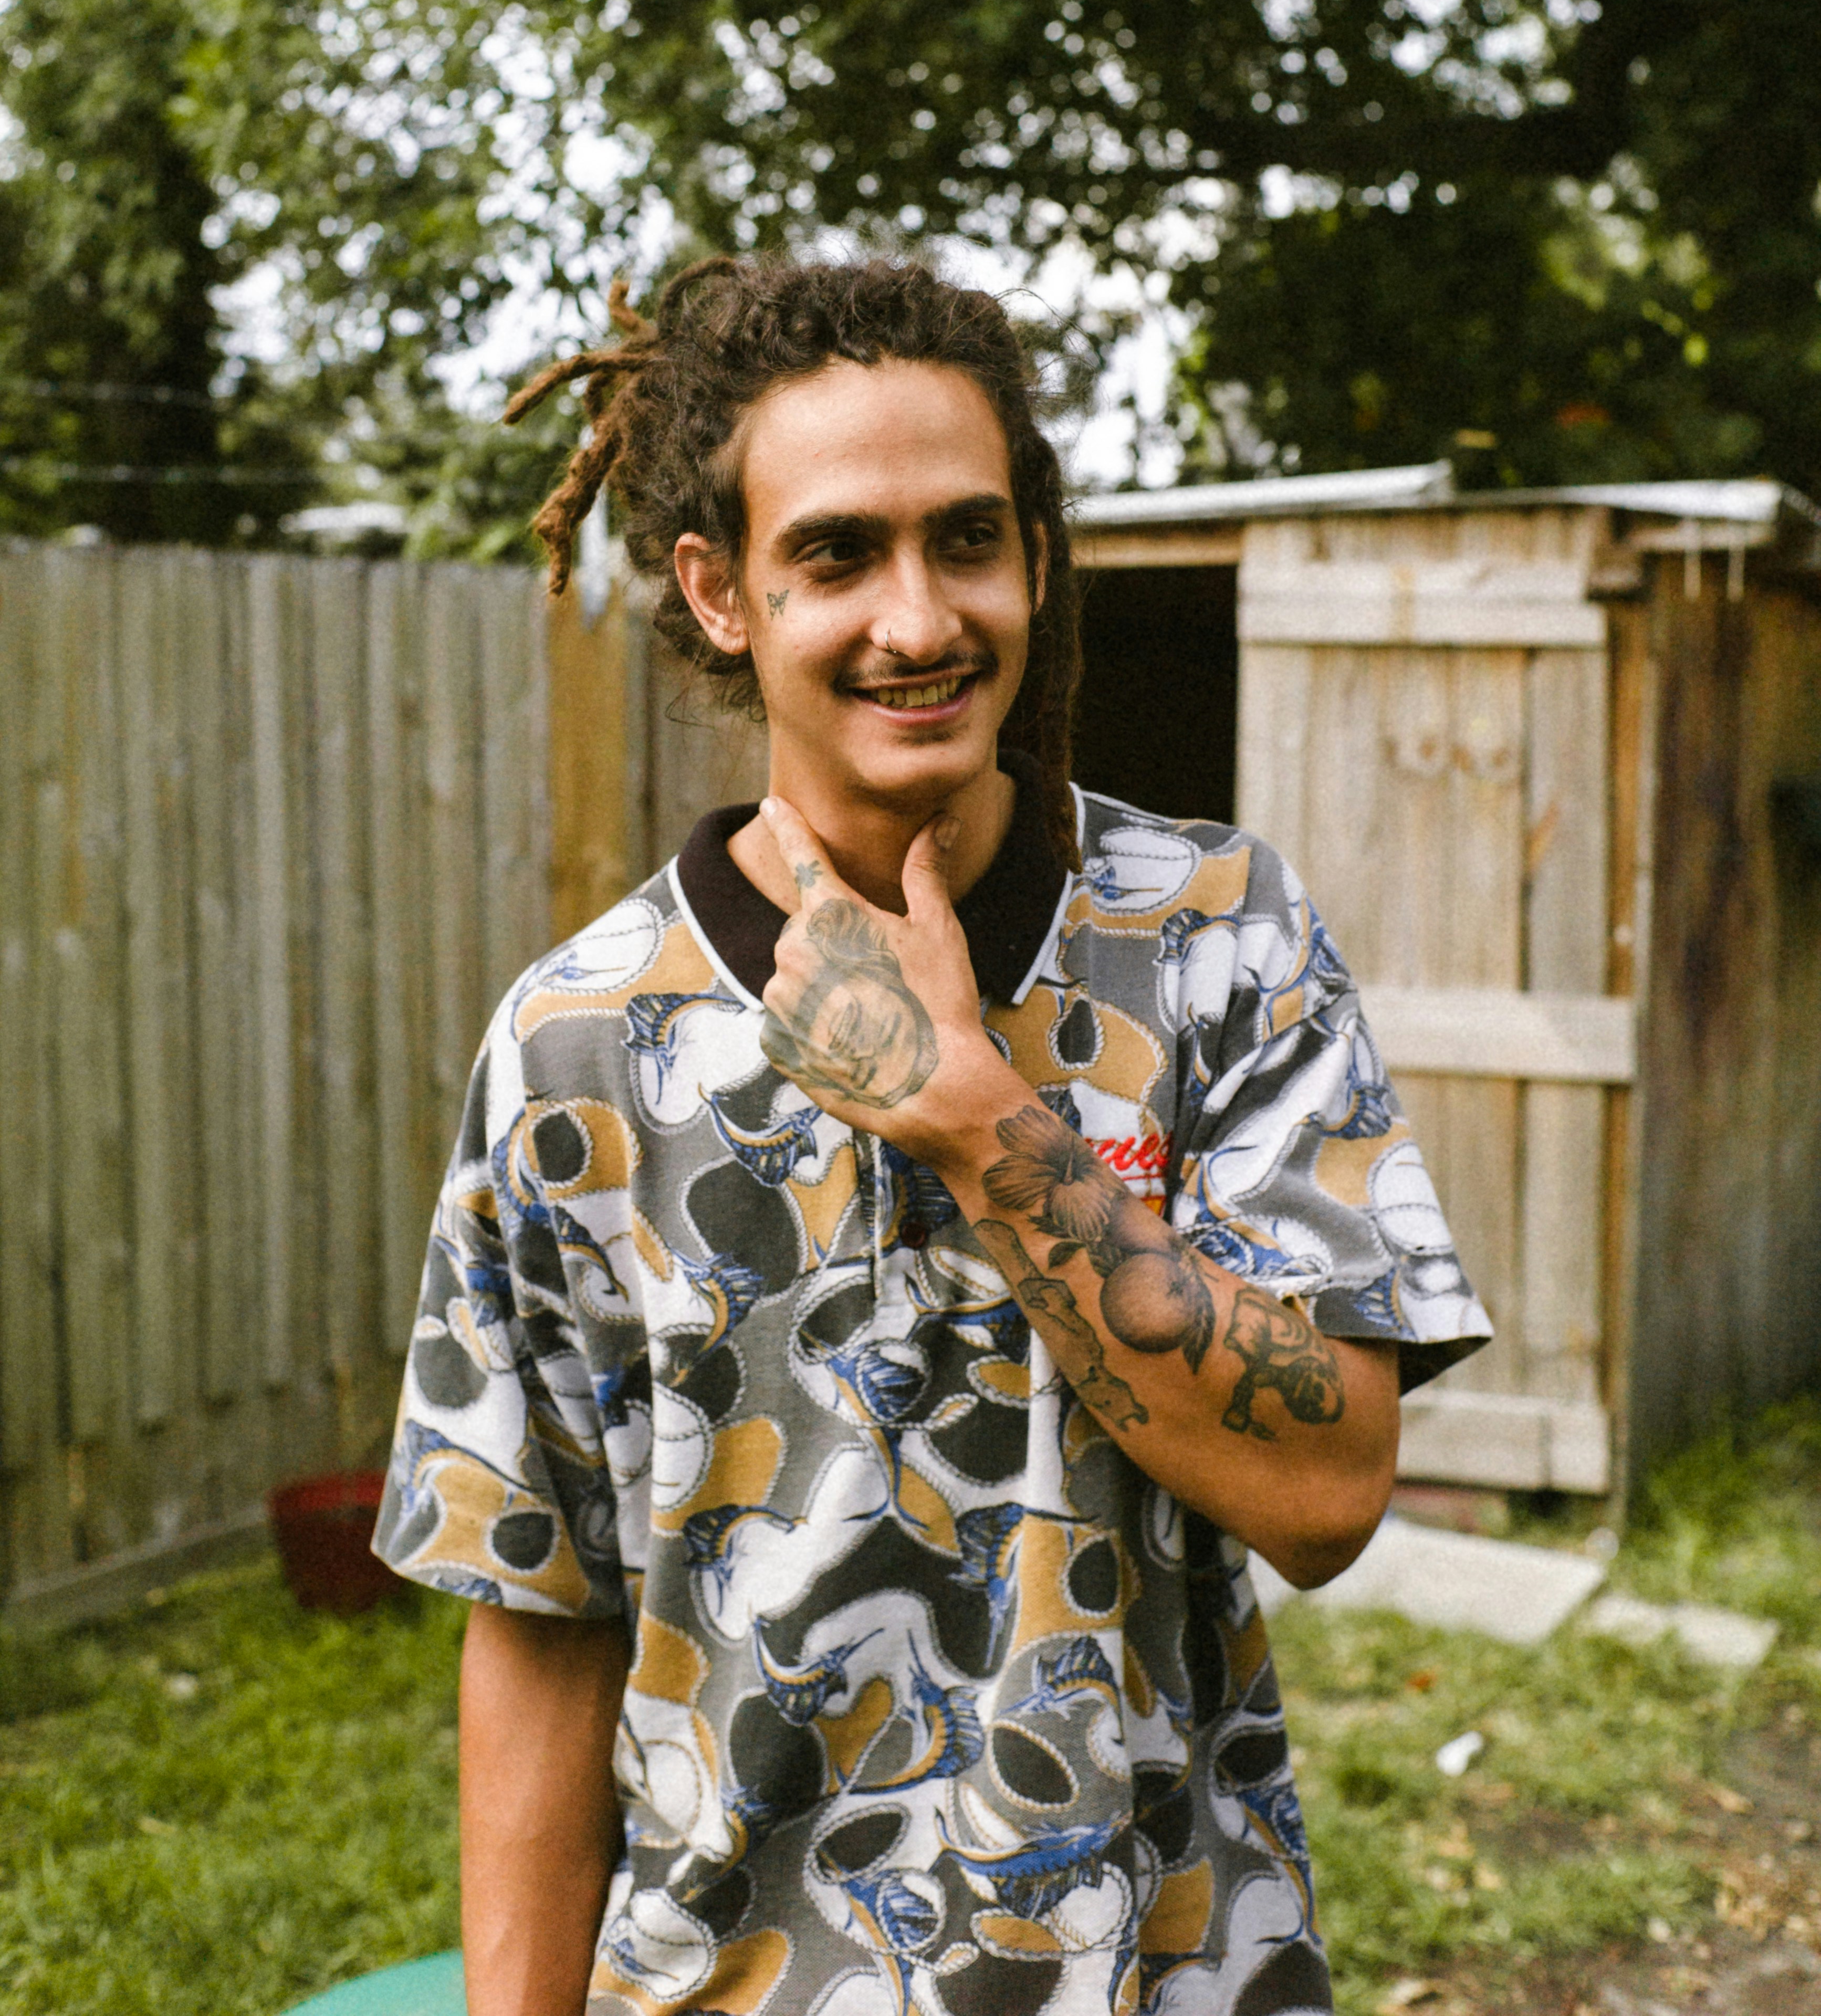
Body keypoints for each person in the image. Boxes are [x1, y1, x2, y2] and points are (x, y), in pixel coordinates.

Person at [374, 254, 1491, 2016]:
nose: (918, 619)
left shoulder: (1212, 941)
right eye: (837, 553)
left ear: (1032, 557)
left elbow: (1329, 1487)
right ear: (719, 591)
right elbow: (539, 1611)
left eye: (966, 539)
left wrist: (980, 1124)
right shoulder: (576, 1044)